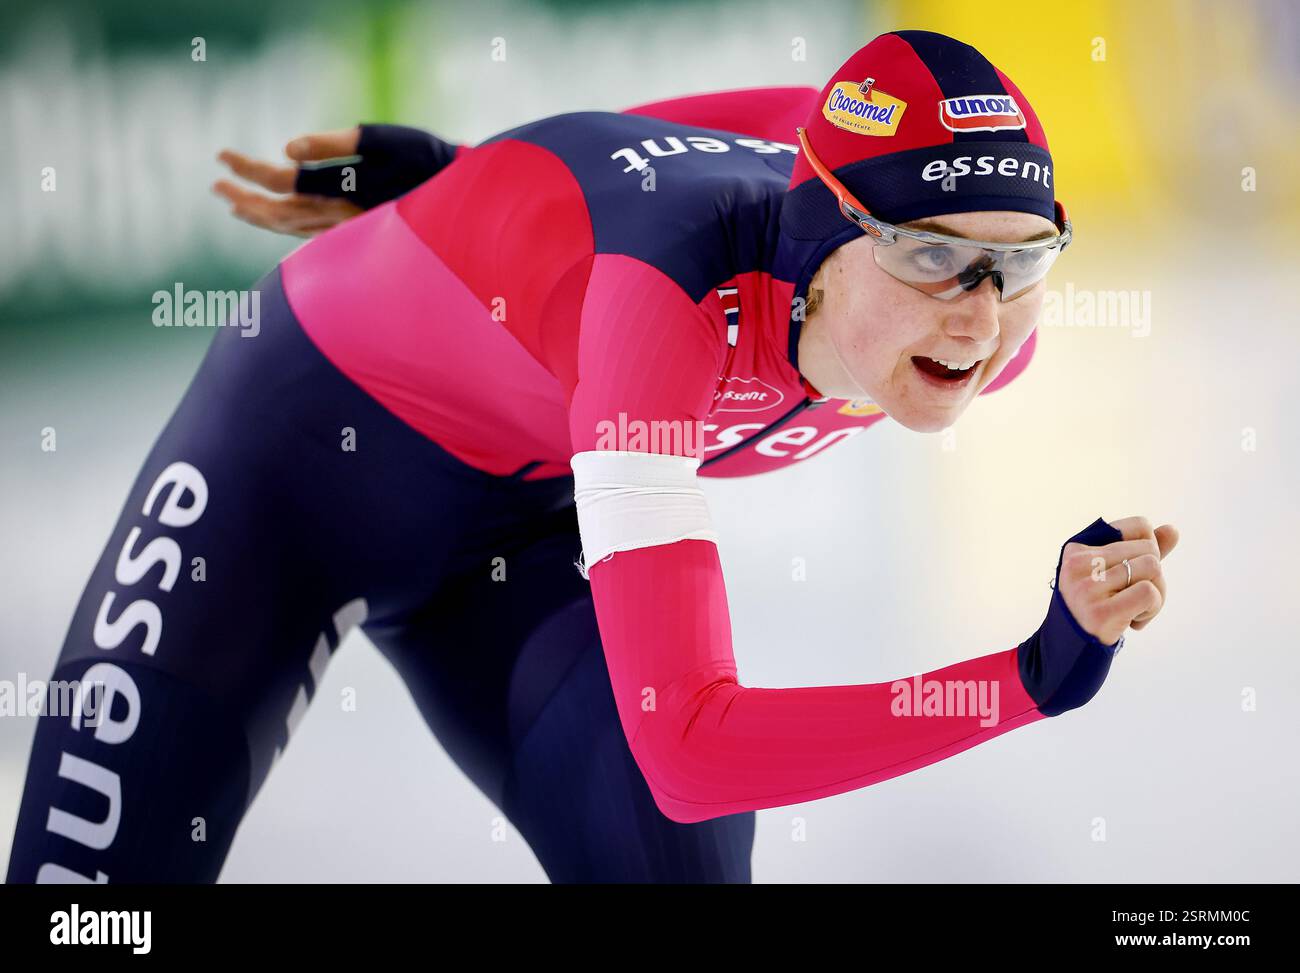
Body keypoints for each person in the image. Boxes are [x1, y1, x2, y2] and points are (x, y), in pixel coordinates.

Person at [7, 30, 1177, 884]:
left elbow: (677, 130)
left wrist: (459, 177)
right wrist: (1023, 678)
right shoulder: (658, 299)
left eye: (1022, 265)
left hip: (515, 533)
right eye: (930, 258)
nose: (979, 318)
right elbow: (692, 747)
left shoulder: (970, 334)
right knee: (90, 909)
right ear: (825, 234)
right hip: (290, 467)